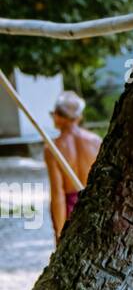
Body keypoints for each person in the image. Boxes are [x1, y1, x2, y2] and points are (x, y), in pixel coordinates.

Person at [46, 90, 100, 241]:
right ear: (79, 116)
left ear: (58, 116)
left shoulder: (53, 148)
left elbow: (58, 194)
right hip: (94, 205)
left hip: (71, 208)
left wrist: (60, 231)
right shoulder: (95, 141)